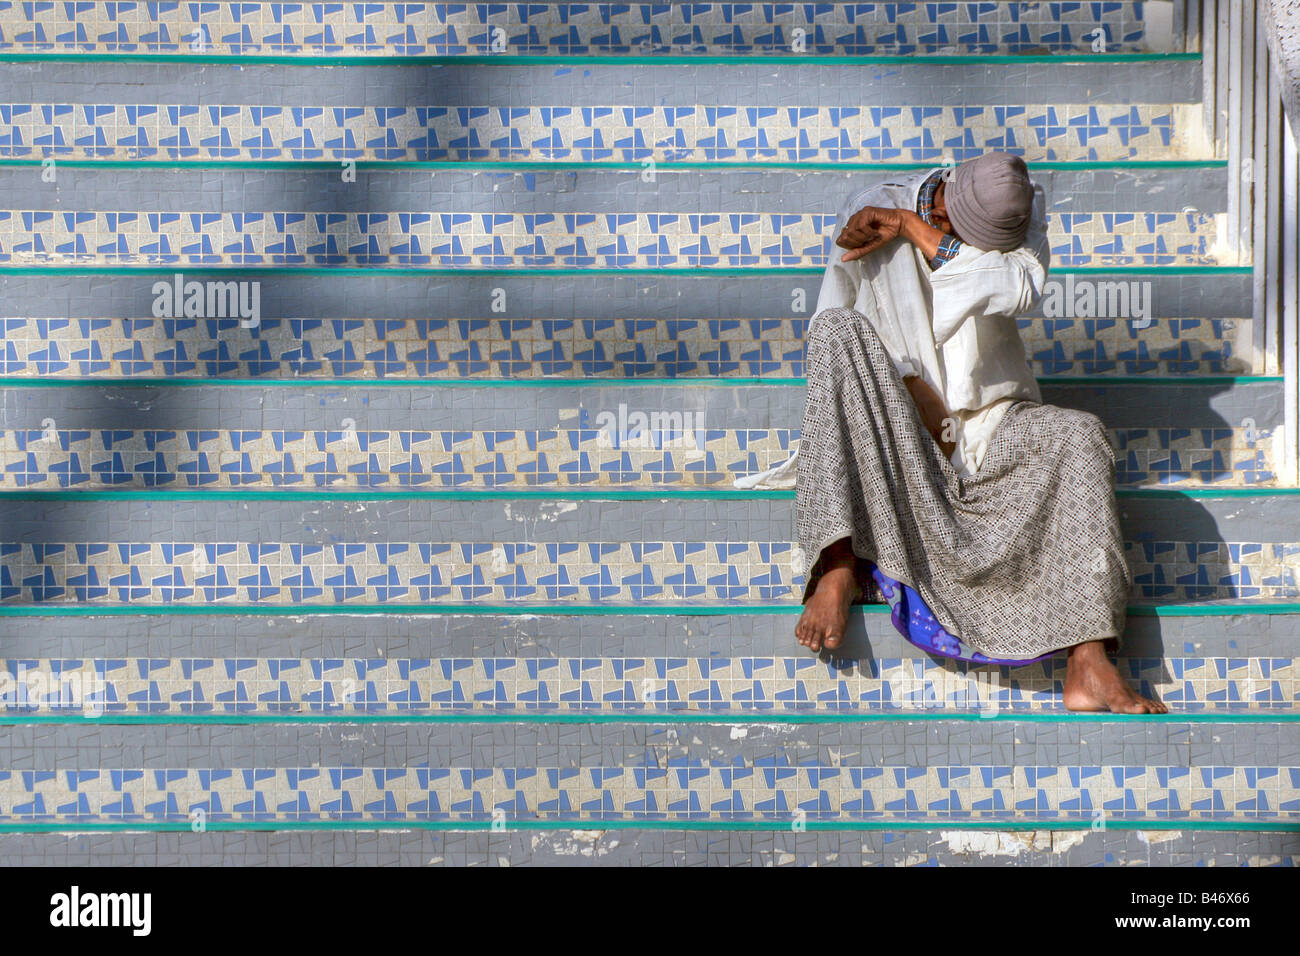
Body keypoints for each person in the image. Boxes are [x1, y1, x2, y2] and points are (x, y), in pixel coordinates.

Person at [778, 152, 1166, 714]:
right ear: (943, 202)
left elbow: (1016, 285)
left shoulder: (1022, 213)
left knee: (1079, 435)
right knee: (835, 332)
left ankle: (1090, 660)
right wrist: (896, 223)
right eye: (947, 226)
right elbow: (833, 349)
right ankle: (837, 564)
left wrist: (913, 230)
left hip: (992, 425)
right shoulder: (874, 202)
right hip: (899, 431)